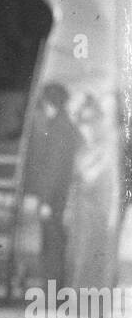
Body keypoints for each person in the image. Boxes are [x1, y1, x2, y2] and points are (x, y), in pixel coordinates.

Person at [24, 82, 80, 286]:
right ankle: (53, 290)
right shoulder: (64, 126)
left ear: (50, 103)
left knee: (52, 245)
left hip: (54, 199)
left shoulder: (58, 129)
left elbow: (54, 170)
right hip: (56, 197)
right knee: (53, 243)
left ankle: (52, 292)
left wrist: (46, 201)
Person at [66, 94, 120, 289]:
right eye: (83, 122)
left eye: (91, 121)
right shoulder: (80, 149)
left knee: (92, 255)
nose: (87, 128)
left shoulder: (105, 150)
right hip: (80, 212)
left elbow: (97, 179)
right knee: (77, 254)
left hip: (97, 212)